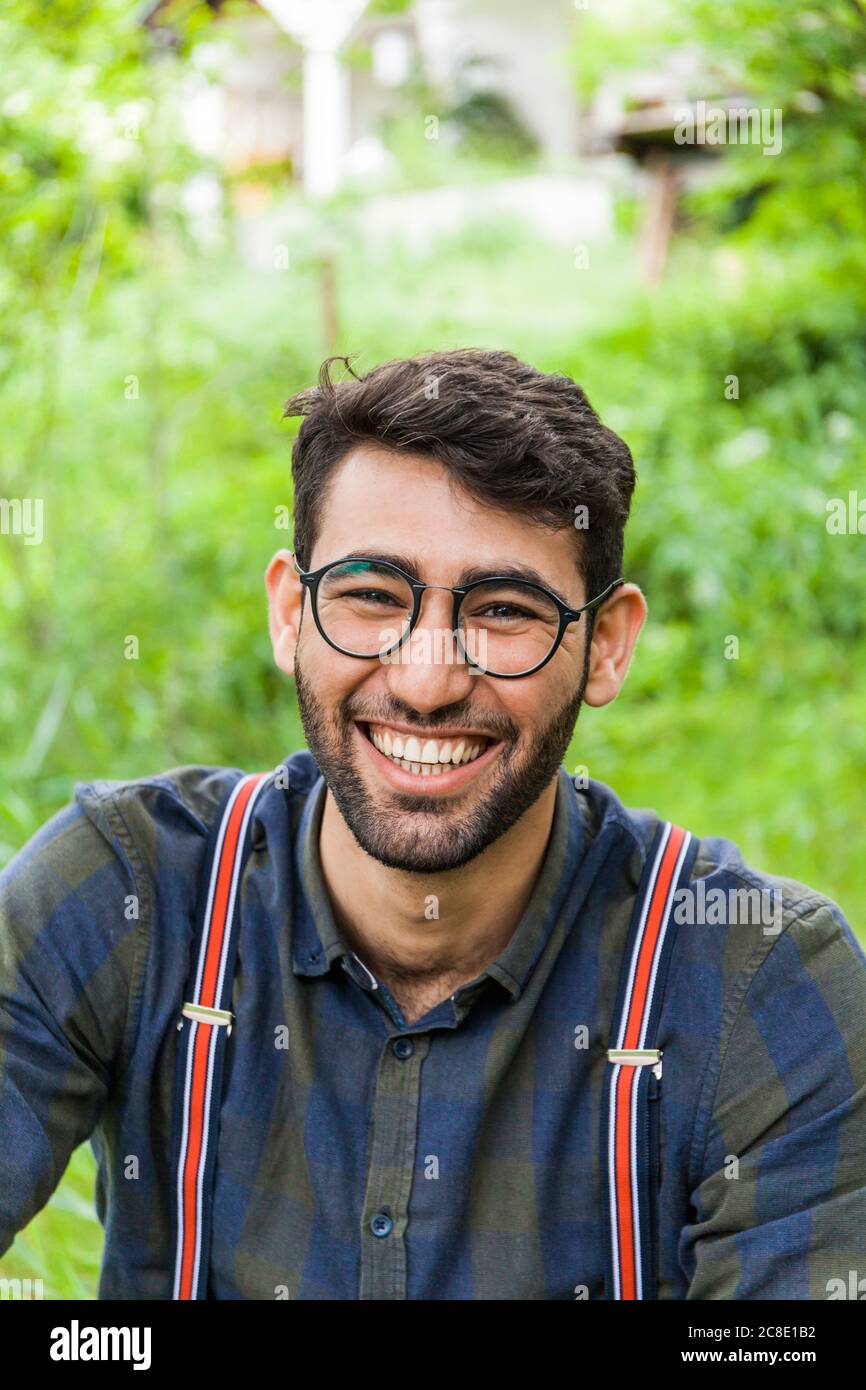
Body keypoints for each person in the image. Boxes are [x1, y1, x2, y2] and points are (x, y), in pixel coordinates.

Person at [1, 348, 864, 1300]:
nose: (427, 679)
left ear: (606, 647)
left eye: (505, 610)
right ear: (291, 612)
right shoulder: (125, 894)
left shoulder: (761, 980)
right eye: (372, 596)